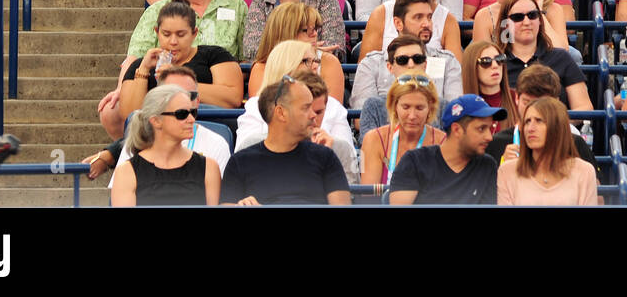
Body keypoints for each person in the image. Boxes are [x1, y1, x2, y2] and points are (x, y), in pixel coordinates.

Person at [220, 77, 352, 204]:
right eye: (305, 108)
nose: (313, 115)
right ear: (281, 113)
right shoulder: (240, 163)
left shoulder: (326, 158)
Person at [107, 84, 222, 206]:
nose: (191, 119)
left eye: (193, 112)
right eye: (181, 114)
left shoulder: (209, 168)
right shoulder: (127, 172)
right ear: (156, 121)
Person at [387, 93, 504, 204]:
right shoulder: (414, 162)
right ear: (456, 130)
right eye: (481, 129)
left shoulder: (487, 166)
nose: (489, 137)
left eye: (490, 128)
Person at [495, 95, 598, 205]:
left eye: (539, 121)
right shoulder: (507, 171)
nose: (530, 128)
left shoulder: (584, 171)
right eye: (527, 122)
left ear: (557, 126)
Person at [501, 0, 590, 109]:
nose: (526, 22)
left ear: (540, 20)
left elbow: (584, 107)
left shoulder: (562, 58)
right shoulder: (496, 62)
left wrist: (552, 121)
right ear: (505, 24)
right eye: (518, 17)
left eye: (533, 15)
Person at [360, 73, 445, 186]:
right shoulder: (373, 139)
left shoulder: (443, 142)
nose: (412, 116)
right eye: (406, 107)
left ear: (430, 108)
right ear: (394, 106)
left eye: (419, 108)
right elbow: (368, 197)